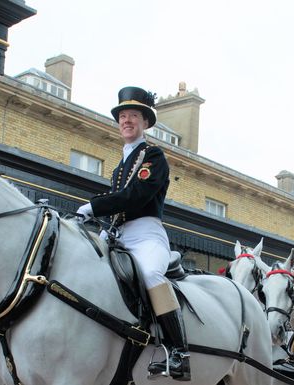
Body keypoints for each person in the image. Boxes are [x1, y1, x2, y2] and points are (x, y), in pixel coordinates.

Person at [76, 86, 190, 381]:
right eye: (123, 116)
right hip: (116, 235)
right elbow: (119, 197)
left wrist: (93, 206)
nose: (126, 120)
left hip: (145, 234)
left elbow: (136, 196)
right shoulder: (119, 167)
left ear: (145, 122)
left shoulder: (153, 157)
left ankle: (178, 352)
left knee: (152, 275)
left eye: (133, 116)